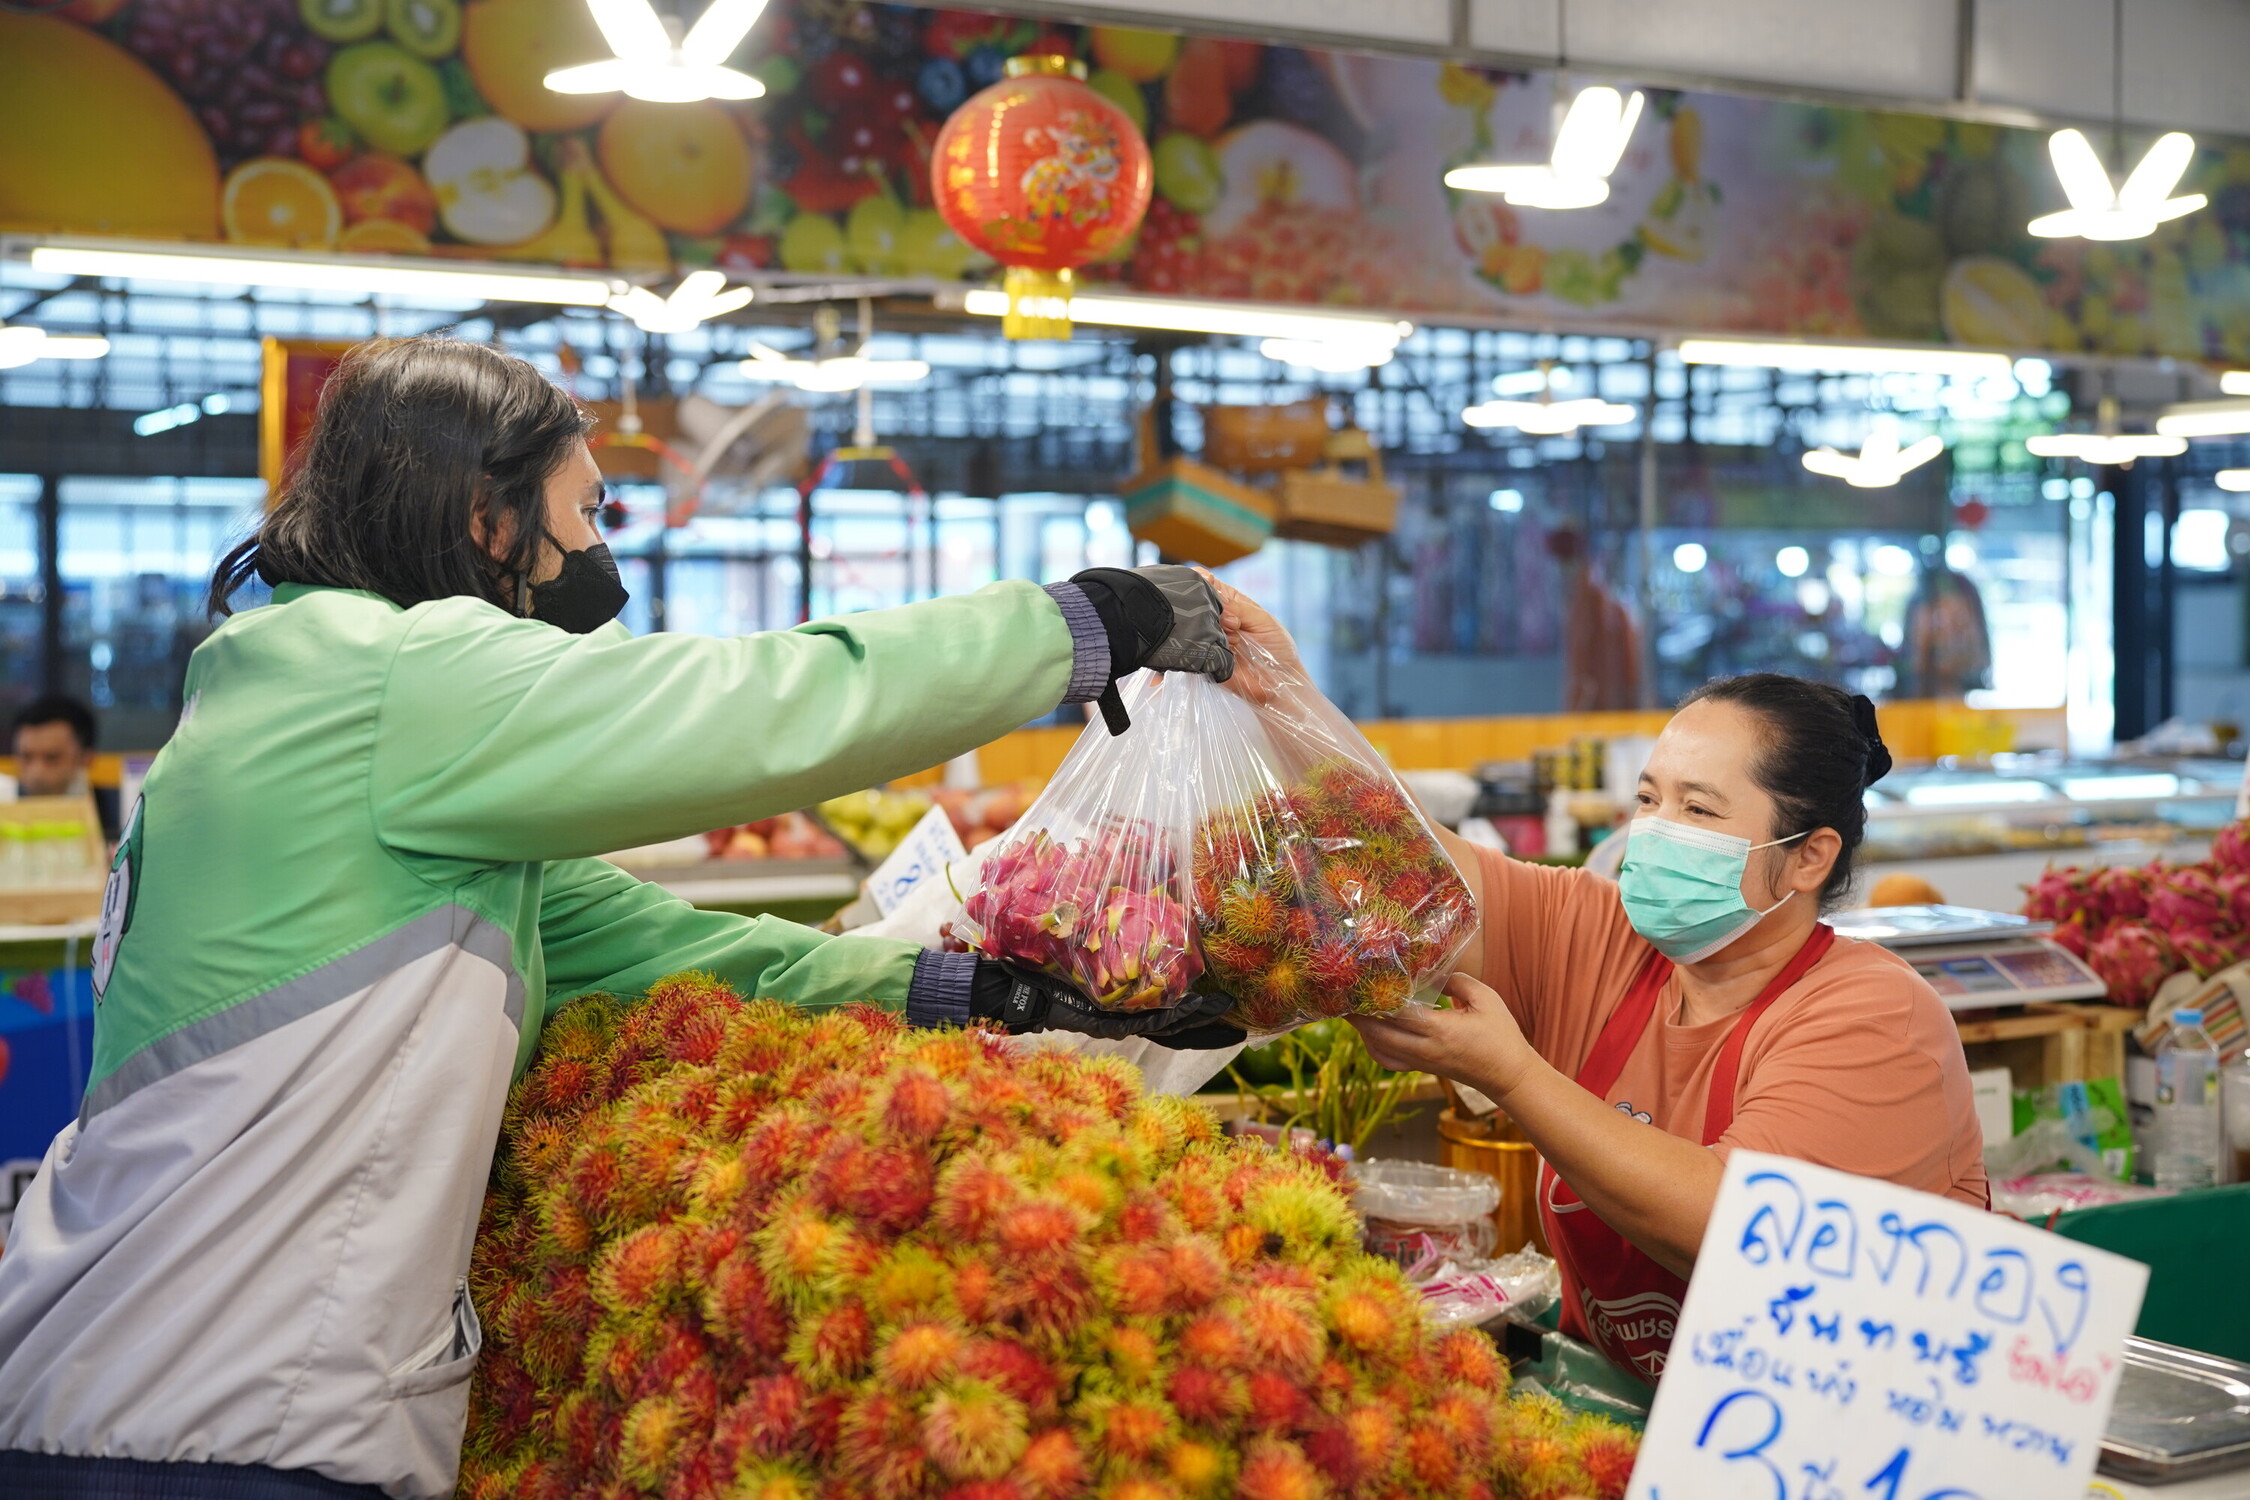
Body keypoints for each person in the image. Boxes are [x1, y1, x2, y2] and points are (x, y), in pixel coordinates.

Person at [0, 336, 1245, 1500]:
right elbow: (764, 704)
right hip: (208, 1419)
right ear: (486, 520)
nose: (604, 557)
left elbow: (652, 949)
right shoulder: (394, 684)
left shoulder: (311, 701)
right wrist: (1085, 626)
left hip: (133, 1370)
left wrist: (970, 990)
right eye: (588, 512)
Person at [1210, 579, 1984, 1386]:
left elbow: (1731, 1227)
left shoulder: (1875, 1016)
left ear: (1809, 855)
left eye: (1699, 810)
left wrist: (1510, 1074)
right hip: (1625, 1423)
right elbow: (1401, 851)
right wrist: (1280, 696)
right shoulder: (1605, 935)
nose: (1654, 832)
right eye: (1649, 799)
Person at [10, 696, 98, 800]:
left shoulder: (116, 811)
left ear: (86, 758)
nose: (37, 772)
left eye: (52, 757)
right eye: (26, 757)